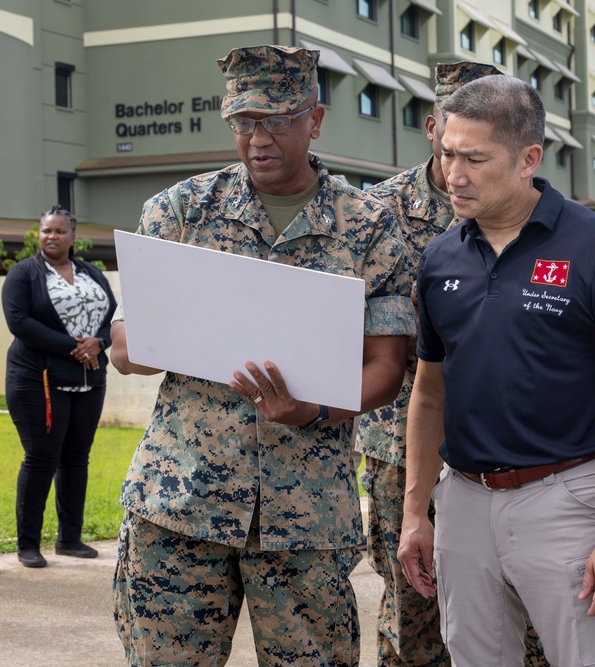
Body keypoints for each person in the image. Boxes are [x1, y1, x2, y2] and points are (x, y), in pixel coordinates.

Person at [110, 45, 415, 667]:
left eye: (276, 120)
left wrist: (315, 410)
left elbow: (387, 366)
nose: (257, 138)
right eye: (244, 122)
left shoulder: (368, 226)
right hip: (181, 499)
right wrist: (151, 344)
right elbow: (124, 346)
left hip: (305, 515)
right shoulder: (179, 213)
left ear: (315, 119)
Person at [398, 74, 595, 667]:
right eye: (447, 154)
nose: (454, 175)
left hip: (564, 501)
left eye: (475, 159)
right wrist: (416, 512)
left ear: (530, 158)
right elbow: (429, 394)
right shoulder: (441, 256)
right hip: (464, 502)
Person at [358, 62, 548, 667]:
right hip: (402, 445)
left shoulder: (538, 211)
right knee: (413, 609)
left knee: (530, 610)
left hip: (520, 446)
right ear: (433, 124)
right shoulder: (375, 212)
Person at [1, 205, 117, 568]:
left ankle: (70, 538)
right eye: (45, 230)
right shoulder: (24, 274)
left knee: (76, 459)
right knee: (40, 459)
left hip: (89, 381)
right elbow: (19, 322)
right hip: (39, 380)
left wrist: (98, 342)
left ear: (73, 236)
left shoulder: (90, 272)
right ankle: (28, 544)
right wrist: (75, 348)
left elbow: (113, 315)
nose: (51, 236)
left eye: (59, 231)